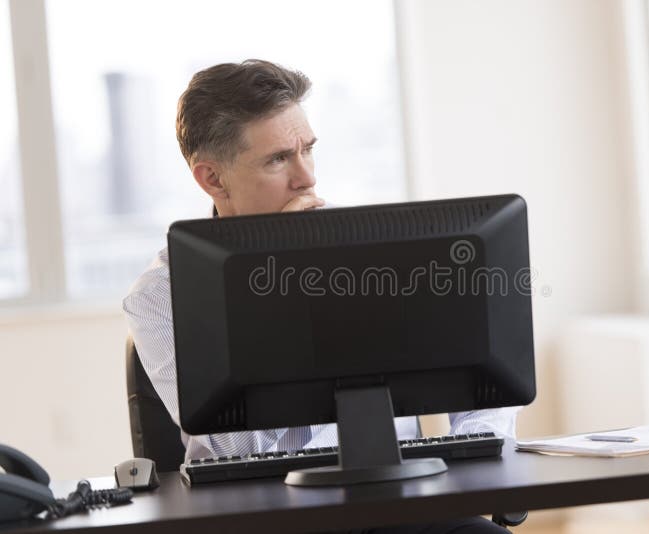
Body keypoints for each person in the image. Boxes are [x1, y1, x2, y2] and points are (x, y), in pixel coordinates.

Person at [123, 59, 517, 533]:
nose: (306, 178)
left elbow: (479, 371)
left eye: (307, 150)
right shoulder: (159, 296)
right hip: (265, 516)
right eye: (277, 159)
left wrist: (473, 454)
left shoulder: (371, 249)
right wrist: (278, 288)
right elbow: (239, 449)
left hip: (398, 500)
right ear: (213, 179)